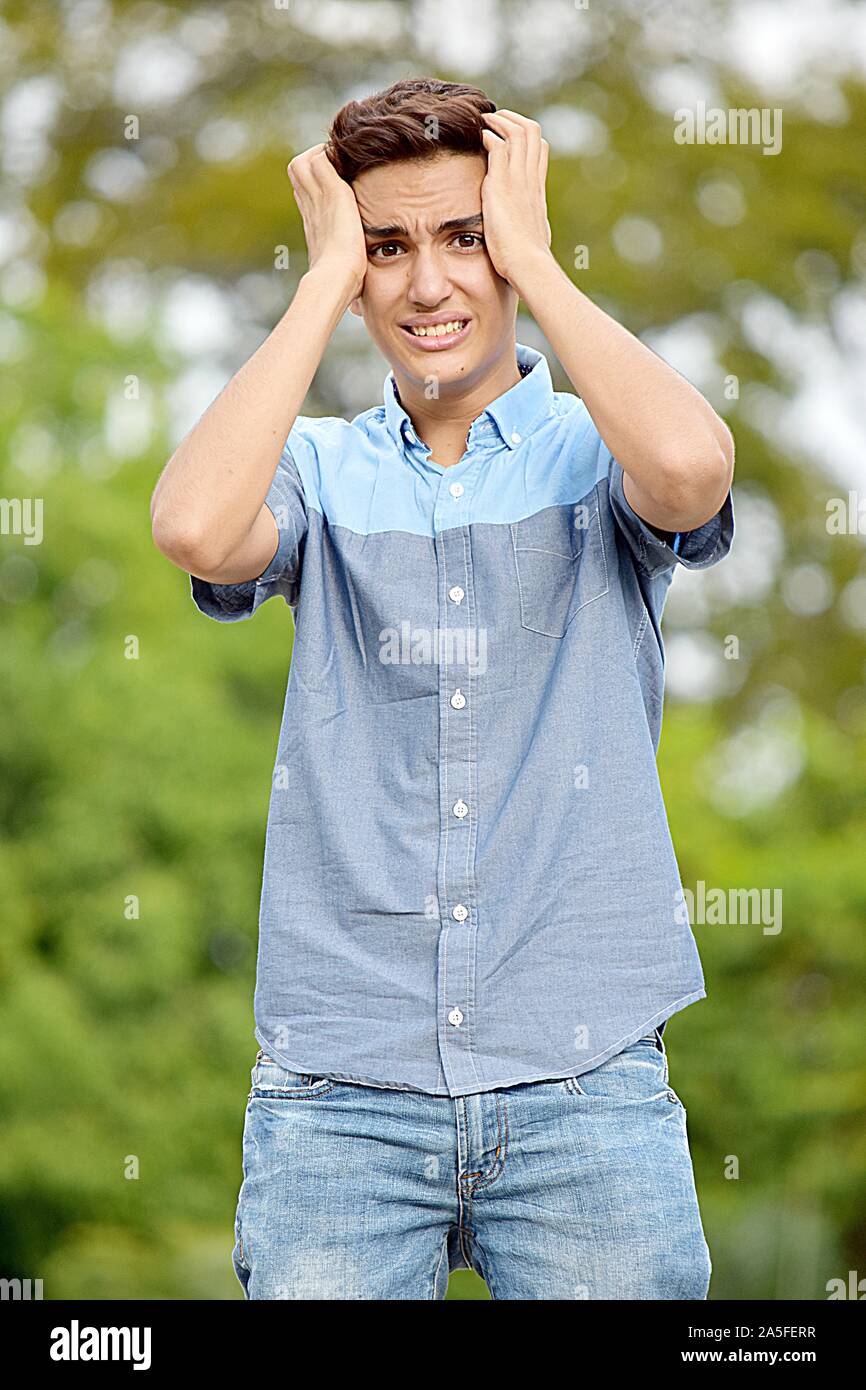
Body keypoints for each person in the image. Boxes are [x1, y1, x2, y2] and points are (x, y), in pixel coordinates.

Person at [150, 77, 734, 1300]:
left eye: (463, 237)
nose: (427, 284)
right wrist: (315, 284)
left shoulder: (594, 452)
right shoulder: (314, 468)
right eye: (384, 249)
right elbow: (198, 527)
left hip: (585, 1084)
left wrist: (535, 258)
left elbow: (687, 469)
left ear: (511, 244)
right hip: (339, 1096)